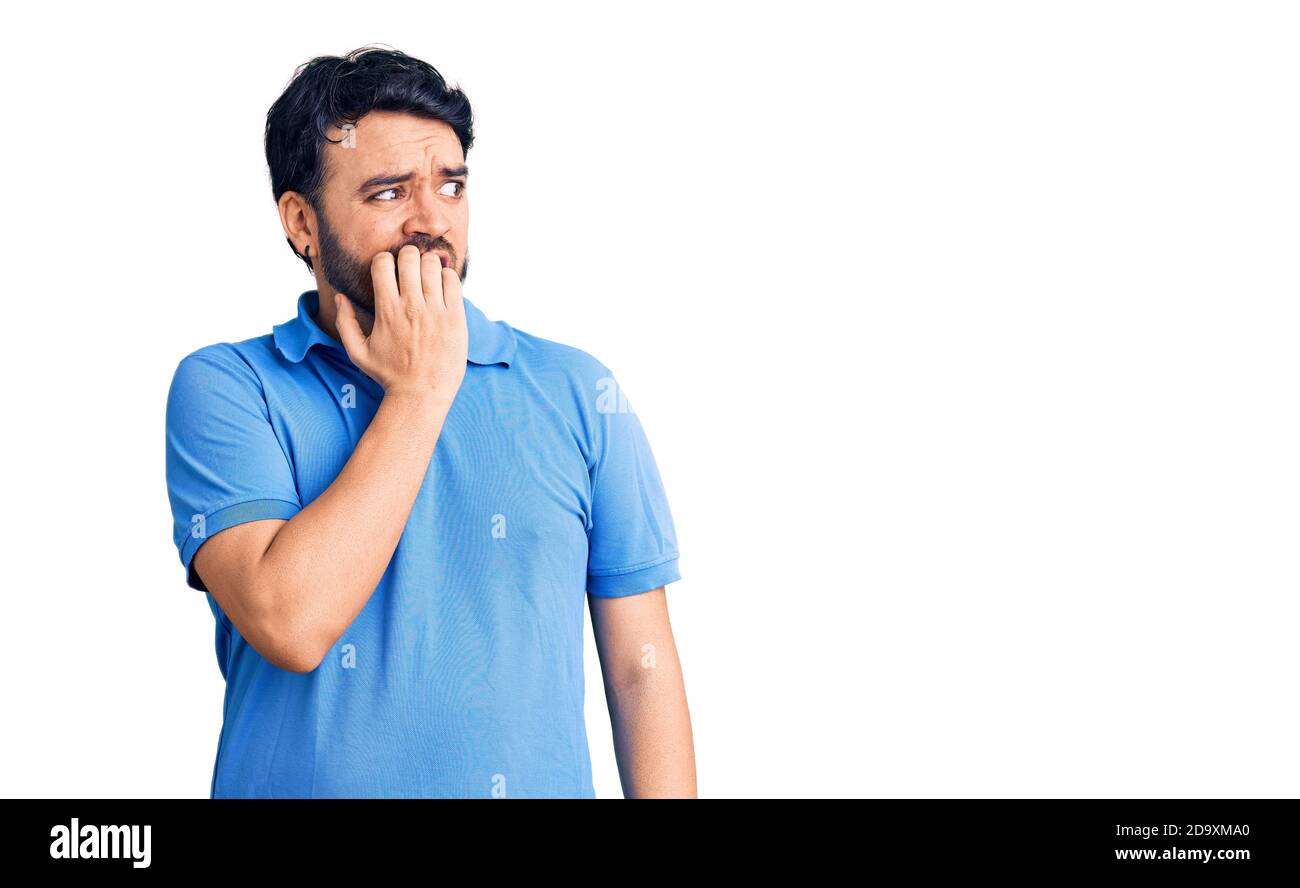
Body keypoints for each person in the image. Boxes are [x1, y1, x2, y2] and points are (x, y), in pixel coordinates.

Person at [164, 45, 694, 798]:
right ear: (302, 221)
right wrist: (419, 394)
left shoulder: (578, 393)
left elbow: (642, 674)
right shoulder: (228, 387)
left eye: (451, 186)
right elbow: (291, 623)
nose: (432, 220)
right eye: (388, 193)